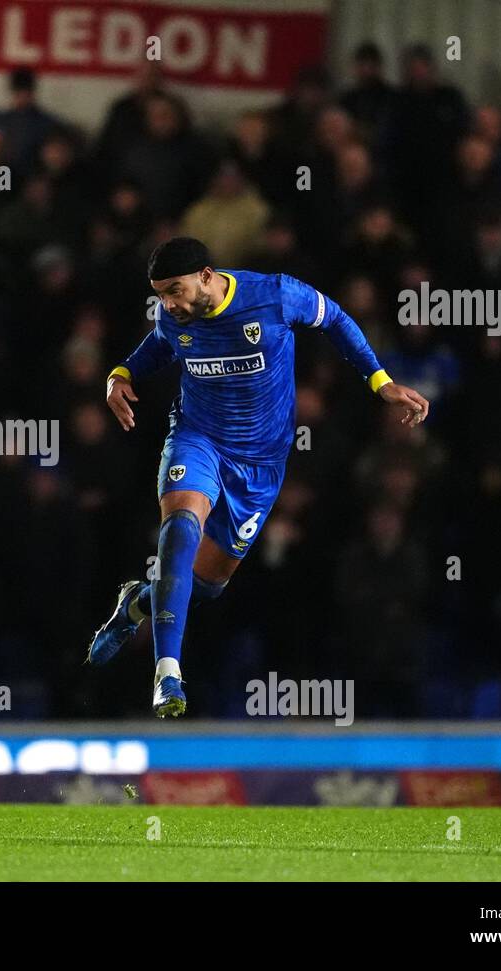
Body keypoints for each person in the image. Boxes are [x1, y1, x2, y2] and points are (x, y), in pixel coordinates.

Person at [89, 237, 429, 717]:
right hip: (197, 438)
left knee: (206, 584)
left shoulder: (274, 295)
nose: (168, 303)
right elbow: (160, 344)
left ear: (207, 275)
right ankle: (168, 673)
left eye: (175, 290)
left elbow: (333, 317)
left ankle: (136, 606)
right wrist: (119, 374)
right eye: (161, 294)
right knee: (181, 527)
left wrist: (381, 381)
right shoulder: (175, 314)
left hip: (259, 463)